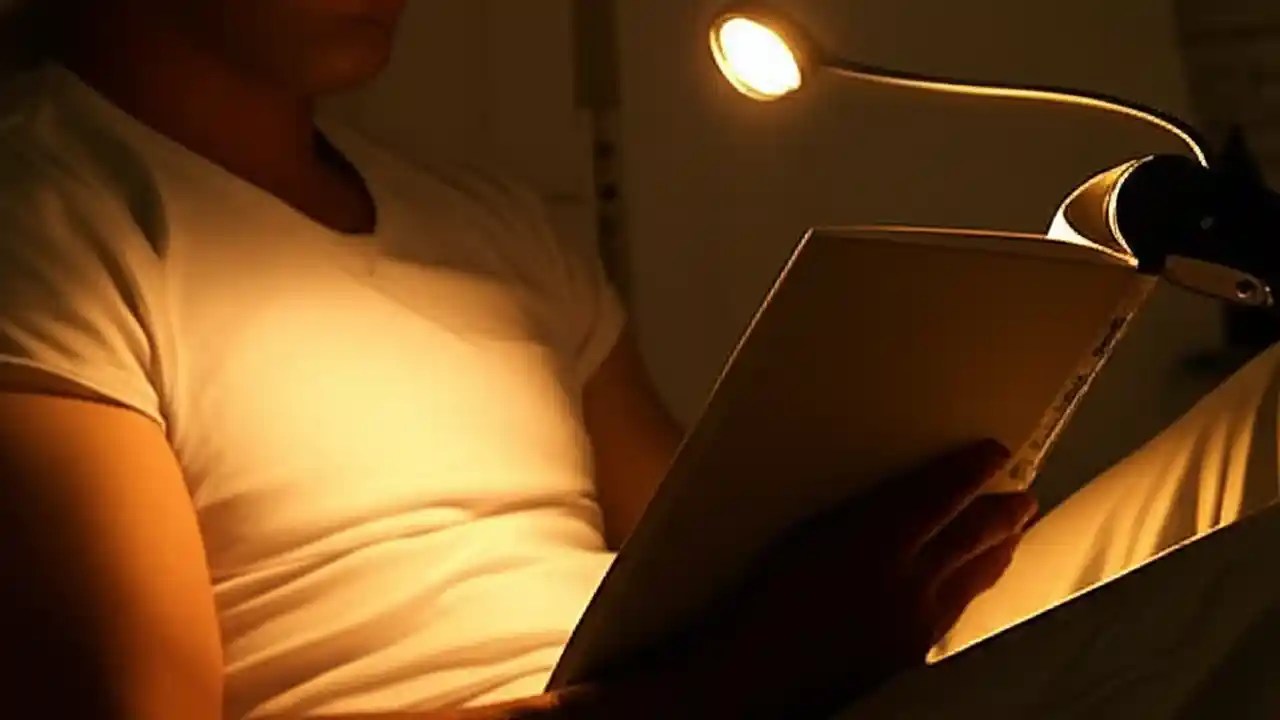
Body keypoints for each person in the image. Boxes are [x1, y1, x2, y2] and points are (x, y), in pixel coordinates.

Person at [0, 1, 1038, 719]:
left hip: (766, 697)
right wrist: (728, 688)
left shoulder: (494, 227)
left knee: (1155, 512)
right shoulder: (48, 222)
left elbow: (699, 569)